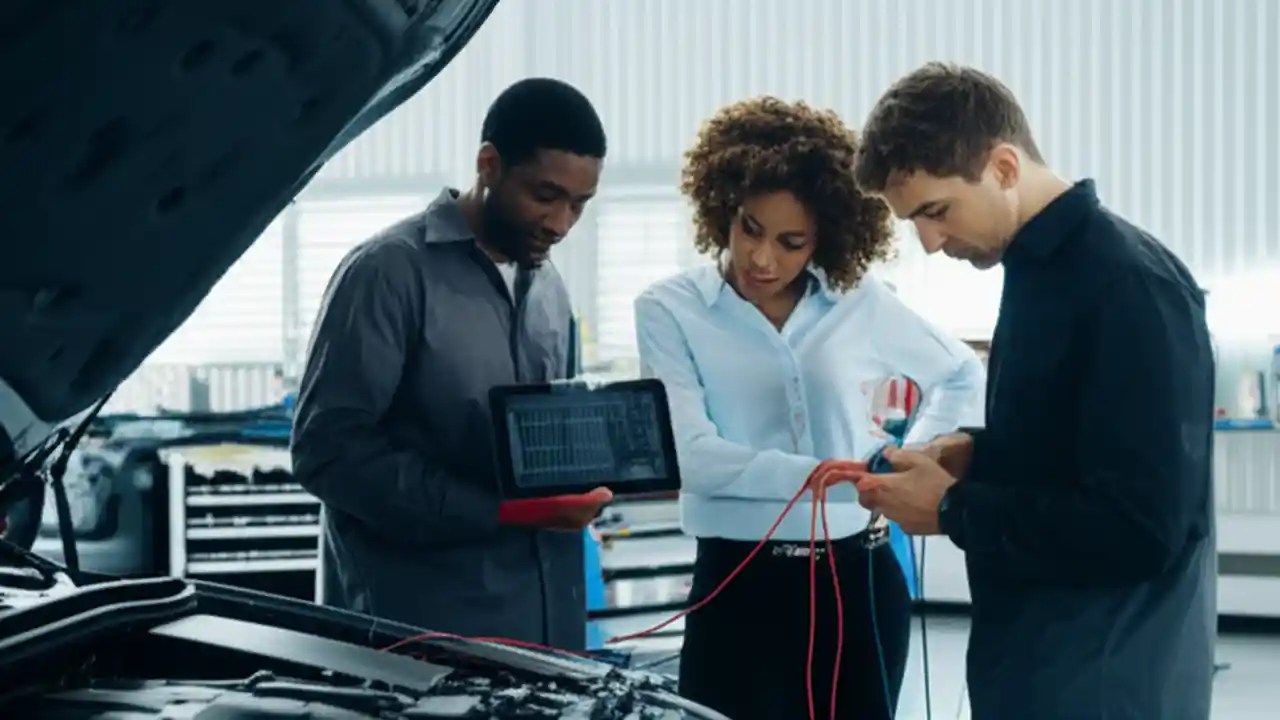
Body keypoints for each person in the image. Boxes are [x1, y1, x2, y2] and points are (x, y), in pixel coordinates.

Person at [850, 62, 1216, 720]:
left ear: (1004, 168)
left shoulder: (1128, 285)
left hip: (1105, 684)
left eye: (936, 212)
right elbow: (1075, 451)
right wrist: (975, 453)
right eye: (913, 222)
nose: (929, 243)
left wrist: (956, 508)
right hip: (1038, 668)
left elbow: (1141, 527)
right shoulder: (1037, 272)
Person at [633, 96, 985, 720]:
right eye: (749, 228)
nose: (762, 259)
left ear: (825, 237)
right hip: (737, 583)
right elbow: (694, 458)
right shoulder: (670, 309)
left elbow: (960, 372)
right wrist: (841, 474)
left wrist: (910, 458)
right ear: (724, 208)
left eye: (791, 242)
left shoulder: (860, 301)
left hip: (860, 580)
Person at [290, 78, 613, 650]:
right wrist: (503, 511)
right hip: (419, 636)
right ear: (488, 164)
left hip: (548, 635)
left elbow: (549, 445)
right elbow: (329, 455)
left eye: (579, 205)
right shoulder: (387, 273)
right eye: (545, 195)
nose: (561, 224)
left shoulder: (551, 288)